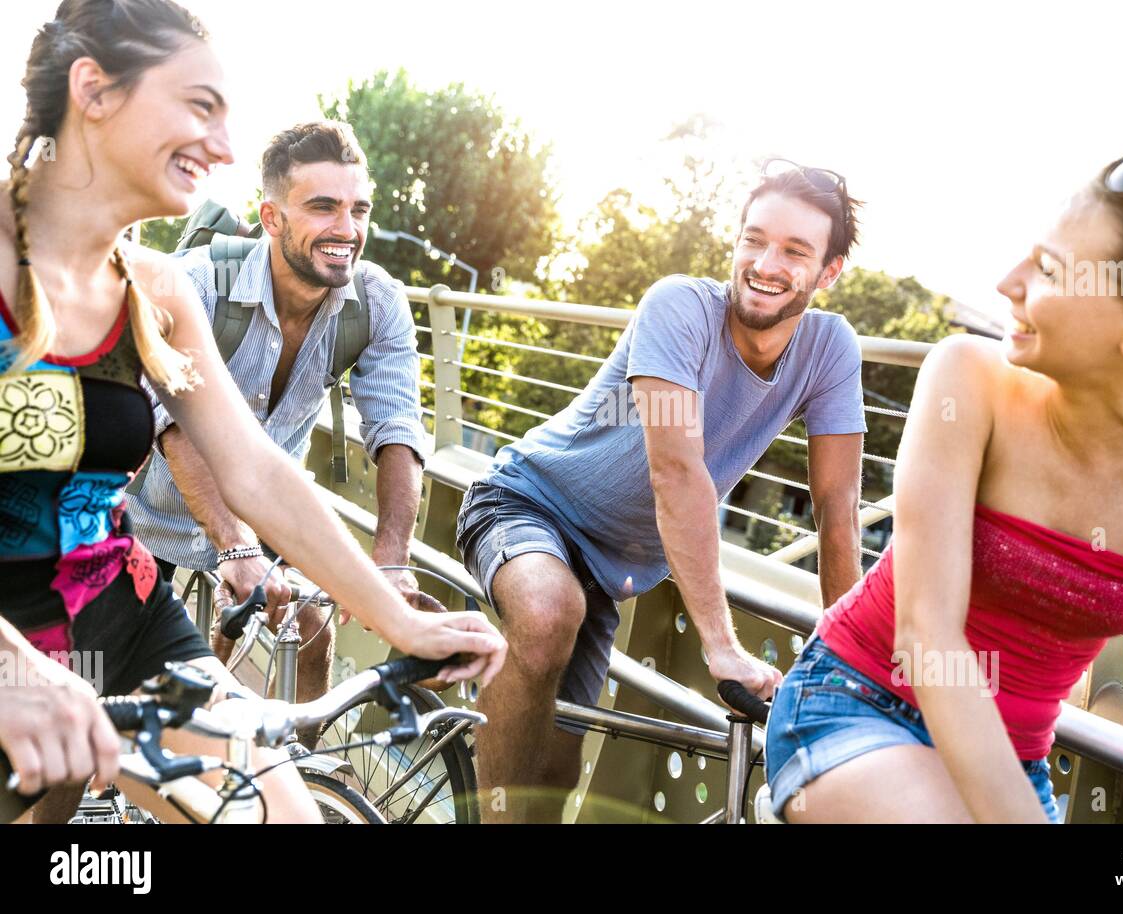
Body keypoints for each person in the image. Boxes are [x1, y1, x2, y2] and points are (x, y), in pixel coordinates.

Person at [0, 0, 505, 823]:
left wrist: (397, 619)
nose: (226, 148)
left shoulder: (156, 289)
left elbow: (257, 471)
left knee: (280, 810)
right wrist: (15, 675)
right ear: (93, 91)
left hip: (116, 619)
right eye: (198, 107)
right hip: (11, 646)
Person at [765, 148, 1123, 824]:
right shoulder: (968, 380)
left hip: (1010, 765)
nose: (1007, 282)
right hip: (852, 702)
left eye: (1048, 270)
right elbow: (927, 634)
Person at [457, 160, 868, 821]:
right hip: (526, 502)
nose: (765, 263)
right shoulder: (679, 307)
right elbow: (676, 472)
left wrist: (855, 666)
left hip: (610, 571)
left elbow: (837, 510)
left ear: (829, 272)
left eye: (795, 251)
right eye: (754, 239)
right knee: (544, 613)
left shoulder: (830, 349)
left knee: (555, 777)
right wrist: (721, 643)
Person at [127, 121, 437, 733]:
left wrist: (391, 561)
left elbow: (397, 423)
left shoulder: (376, 302)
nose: (346, 230)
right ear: (270, 218)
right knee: (143, 689)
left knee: (313, 631)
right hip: (149, 510)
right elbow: (175, 420)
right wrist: (232, 547)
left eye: (358, 209)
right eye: (323, 207)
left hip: (266, 506)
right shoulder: (195, 282)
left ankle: (296, 771)